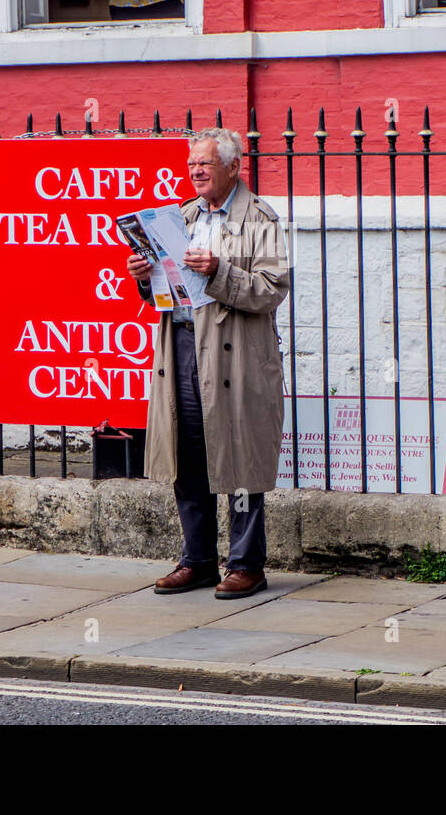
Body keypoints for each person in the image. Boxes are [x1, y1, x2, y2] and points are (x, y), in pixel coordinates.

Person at [126, 128, 290, 599]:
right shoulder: (180, 216)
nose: (195, 171)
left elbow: (272, 289)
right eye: (192, 163)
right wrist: (143, 276)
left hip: (234, 351)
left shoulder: (259, 218)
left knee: (237, 453)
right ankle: (197, 560)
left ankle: (246, 564)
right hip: (181, 342)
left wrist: (219, 271)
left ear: (234, 167)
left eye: (205, 163)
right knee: (188, 452)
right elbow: (164, 287)